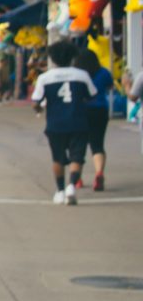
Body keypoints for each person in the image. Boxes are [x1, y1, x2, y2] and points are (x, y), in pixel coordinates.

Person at [31, 39, 95, 206]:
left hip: (55, 124)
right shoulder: (82, 75)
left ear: (53, 58)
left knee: (58, 159)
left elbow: (36, 102)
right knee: (77, 157)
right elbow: (91, 95)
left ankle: (59, 191)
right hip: (78, 122)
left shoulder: (44, 78)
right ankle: (72, 187)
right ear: (72, 57)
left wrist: (39, 109)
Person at [73, 48, 113, 191]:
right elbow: (110, 86)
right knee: (97, 144)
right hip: (100, 110)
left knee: (79, 145)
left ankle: (77, 179)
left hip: (81, 110)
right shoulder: (104, 72)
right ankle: (99, 173)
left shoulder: (77, 74)